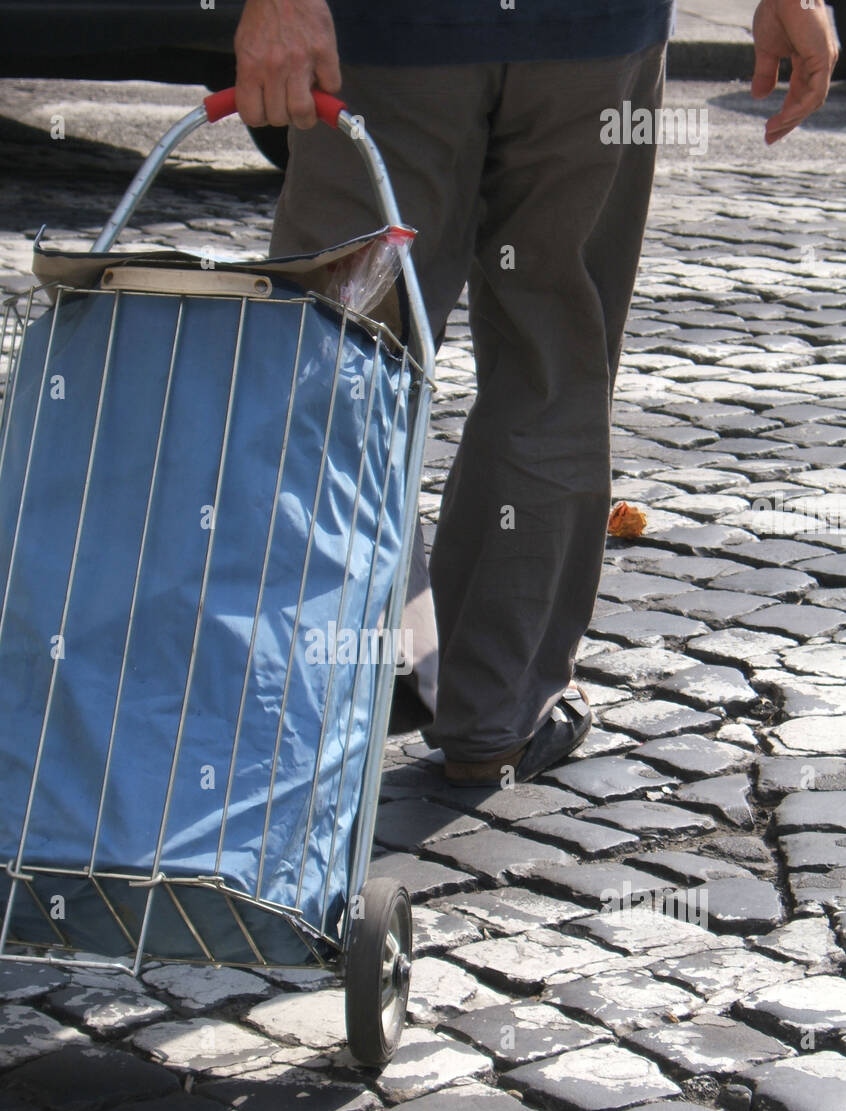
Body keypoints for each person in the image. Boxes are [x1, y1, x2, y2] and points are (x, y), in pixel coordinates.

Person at [232, 0, 839, 788]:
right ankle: (492, 709)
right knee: (546, 360)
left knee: (338, 363)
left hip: (393, 45)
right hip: (582, 37)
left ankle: (332, 699)